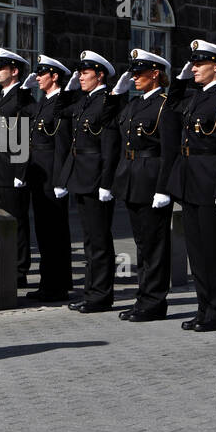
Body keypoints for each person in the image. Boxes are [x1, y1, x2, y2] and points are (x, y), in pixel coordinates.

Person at [166, 40, 216, 331]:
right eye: (192, 63)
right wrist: (182, 76)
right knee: (196, 252)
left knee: (215, 251)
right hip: (190, 181)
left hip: (212, 182)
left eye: (199, 63)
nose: (194, 68)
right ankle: (204, 307)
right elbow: (172, 103)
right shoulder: (197, 96)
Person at [111, 49, 178, 322]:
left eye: (139, 73)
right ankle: (144, 297)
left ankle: (154, 302)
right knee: (142, 244)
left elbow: (170, 150)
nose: (134, 78)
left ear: (155, 74)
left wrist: (164, 188)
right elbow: (110, 120)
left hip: (152, 180)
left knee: (155, 245)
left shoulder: (166, 104)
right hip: (132, 178)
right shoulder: (135, 104)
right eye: (133, 73)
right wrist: (116, 94)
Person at [60, 51, 123, 313]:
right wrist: (68, 89)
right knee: (89, 240)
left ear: (100, 75)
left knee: (99, 241)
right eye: (79, 73)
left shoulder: (107, 102)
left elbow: (110, 147)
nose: (80, 77)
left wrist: (106, 183)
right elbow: (58, 112)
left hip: (96, 178)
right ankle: (91, 292)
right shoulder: (85, 101)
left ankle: (100, 295)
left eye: (85, 73)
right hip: (81, 175)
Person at [0, 48, 34, 288]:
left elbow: (24, 136)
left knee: (16, 221)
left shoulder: (23, 99)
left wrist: (20, 172)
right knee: (1, 218)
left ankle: (19, 269)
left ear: (15, 71)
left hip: (11, 167)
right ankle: (6, 264)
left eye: (1, 68)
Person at [24, 54, 75, 303]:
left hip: (52, 177)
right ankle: (51, 281)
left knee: (55, 233)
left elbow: (62, 146)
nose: (36, 78)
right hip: (38, 175)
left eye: (41, 74)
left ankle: (56, 285)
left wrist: (60, 180)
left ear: (54, 76)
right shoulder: (43, 102)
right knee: (45, 232)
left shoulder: (59, 104)